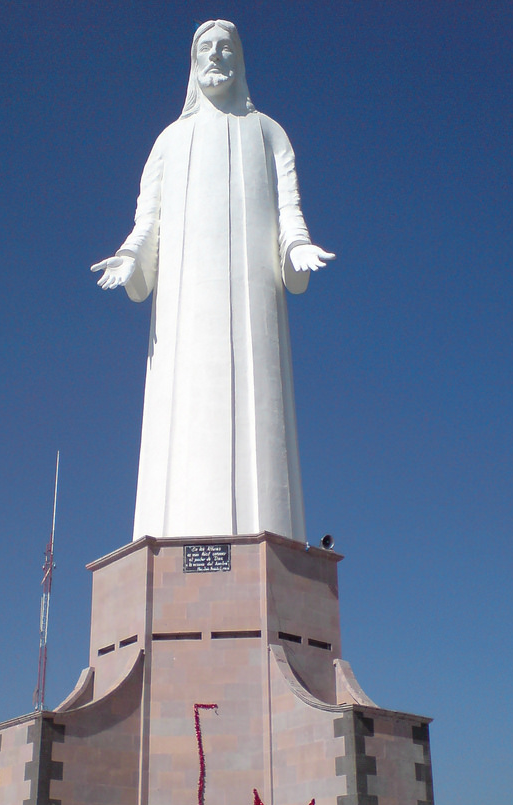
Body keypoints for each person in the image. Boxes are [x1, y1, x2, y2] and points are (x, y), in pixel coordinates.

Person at [92, 20, 334, 542]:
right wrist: (130, 258)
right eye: (207, 47)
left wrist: (297, 248)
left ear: (239, 60)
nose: (217, 55)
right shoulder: (169, 141)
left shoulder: (269, 133)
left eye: (226, 47)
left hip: (253, 306)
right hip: (183, 310)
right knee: (177, 427)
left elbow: (290, 211)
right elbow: (146, 221)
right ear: (193, 60)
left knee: (261, 421)